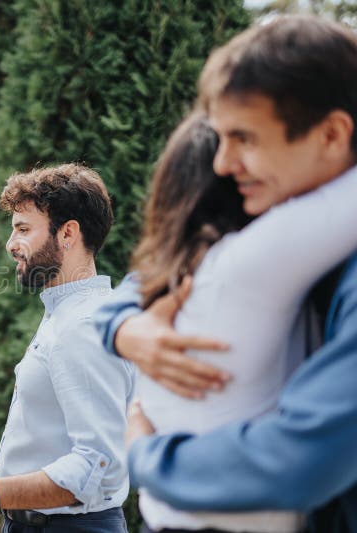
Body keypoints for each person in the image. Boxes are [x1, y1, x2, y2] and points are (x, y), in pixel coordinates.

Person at [93, 15, 357, 533]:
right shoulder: (287, 226)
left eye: (245, 138)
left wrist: (145, 455)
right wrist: (124, 325)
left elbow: (298, 460)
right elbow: (163, 275)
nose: (222, 163)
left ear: (331, 134)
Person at [0, 164, 135, 533]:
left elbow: (96, 468)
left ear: (67, 233)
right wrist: (5, 469)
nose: (10, 244)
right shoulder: (66, 314)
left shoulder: (82, 326)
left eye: (23, 229)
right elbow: (69, 449)